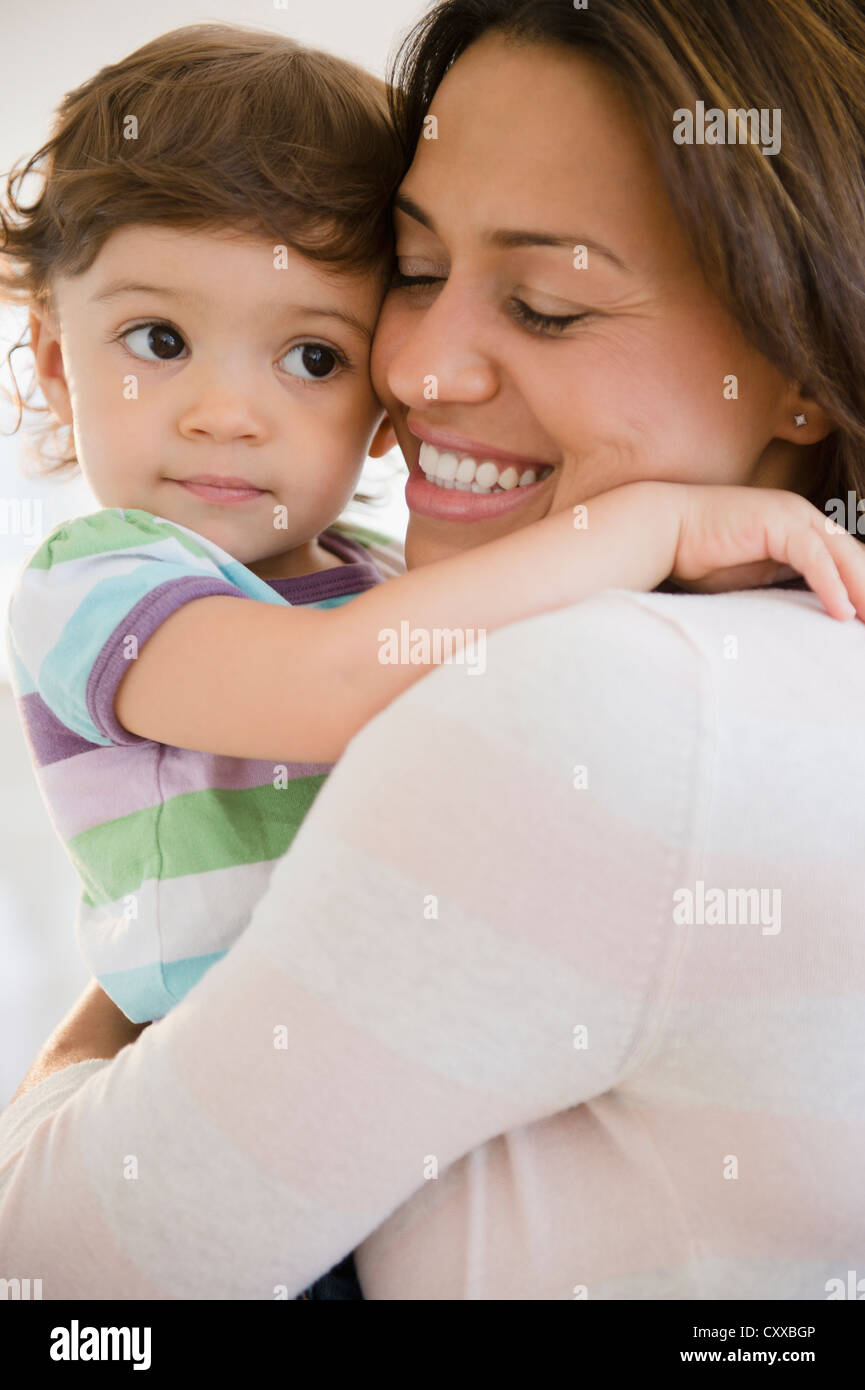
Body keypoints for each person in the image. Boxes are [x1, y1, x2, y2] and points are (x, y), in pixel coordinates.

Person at [1, 0, 865, 1299]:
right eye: (411, 274)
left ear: (799, 354)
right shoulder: (102, 575)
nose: (413, 371)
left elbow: (70, 1253)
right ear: (52, 365)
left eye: (547, 303)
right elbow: (329, 683)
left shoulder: (598, 698)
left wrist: (646, 524)